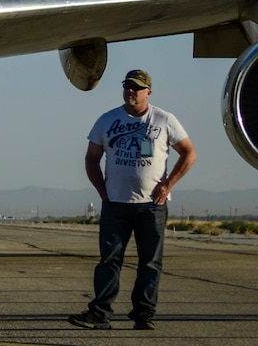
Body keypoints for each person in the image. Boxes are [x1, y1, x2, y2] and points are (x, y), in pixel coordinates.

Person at [68, 69, 196, 332]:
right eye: (127, 86)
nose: (131, 91)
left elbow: (189, 153)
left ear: (148, 92)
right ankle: (100, 314)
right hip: (115, 204)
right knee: (109, 260)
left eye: (137, 88)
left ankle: (144, 314)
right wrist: (103, 192)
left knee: (149, 262)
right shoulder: (107, 120)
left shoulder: (164, 120)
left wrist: (168, 184)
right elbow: (91, 158)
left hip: (152, 206)